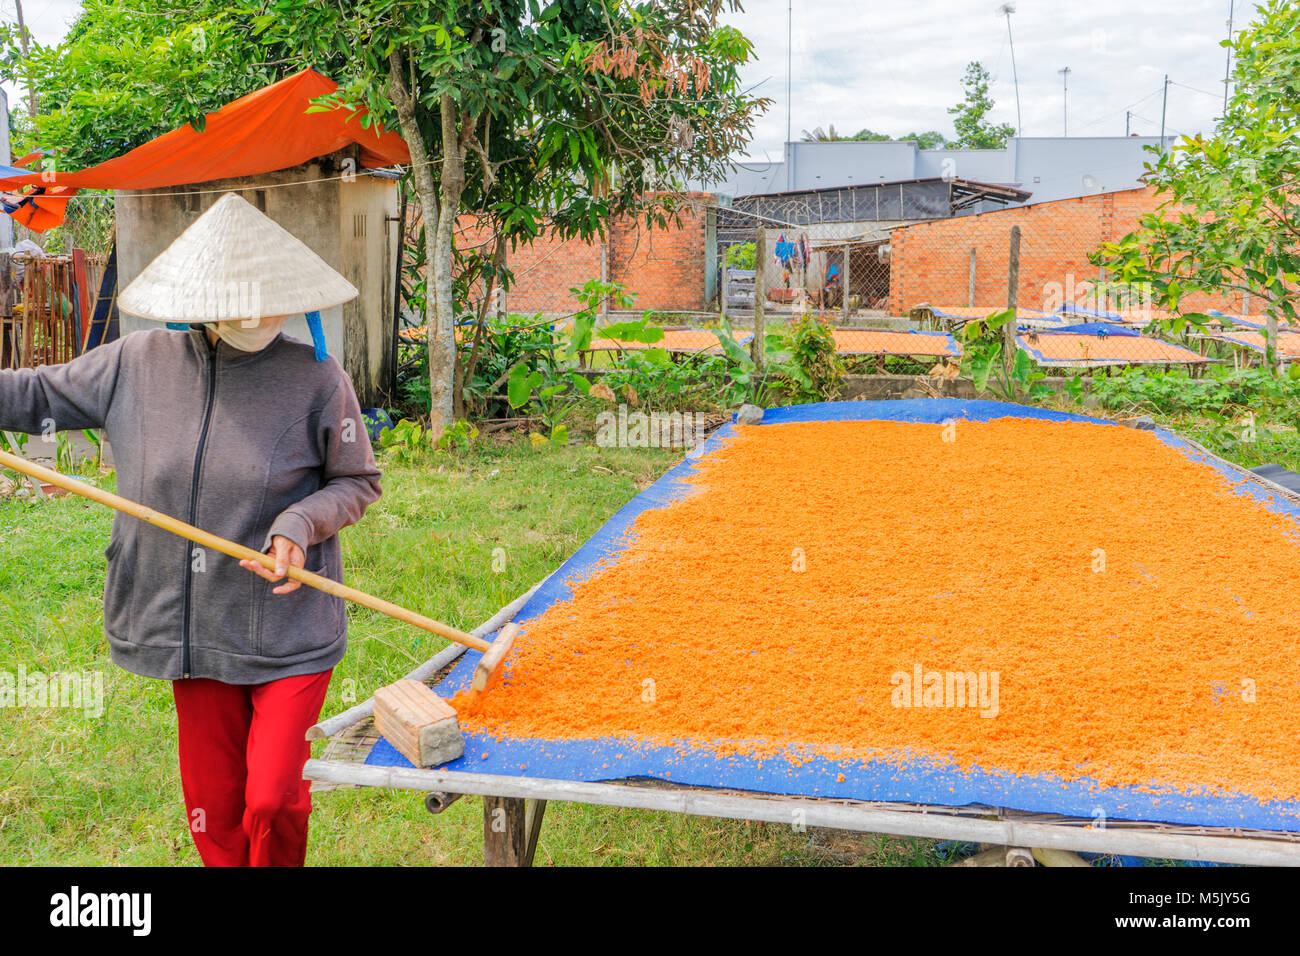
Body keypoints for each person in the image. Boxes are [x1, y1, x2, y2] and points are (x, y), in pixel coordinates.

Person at [0, 193, 383, 866]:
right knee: (214, 806)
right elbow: (36, 397)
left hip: (288, 627)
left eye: (273, 300)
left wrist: (298, 525)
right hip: (194, 629)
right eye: (243, 301)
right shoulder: (135, 364)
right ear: (206, 300)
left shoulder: (317, 379)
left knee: (272, 799)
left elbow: (357, 481)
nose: (261, 316)